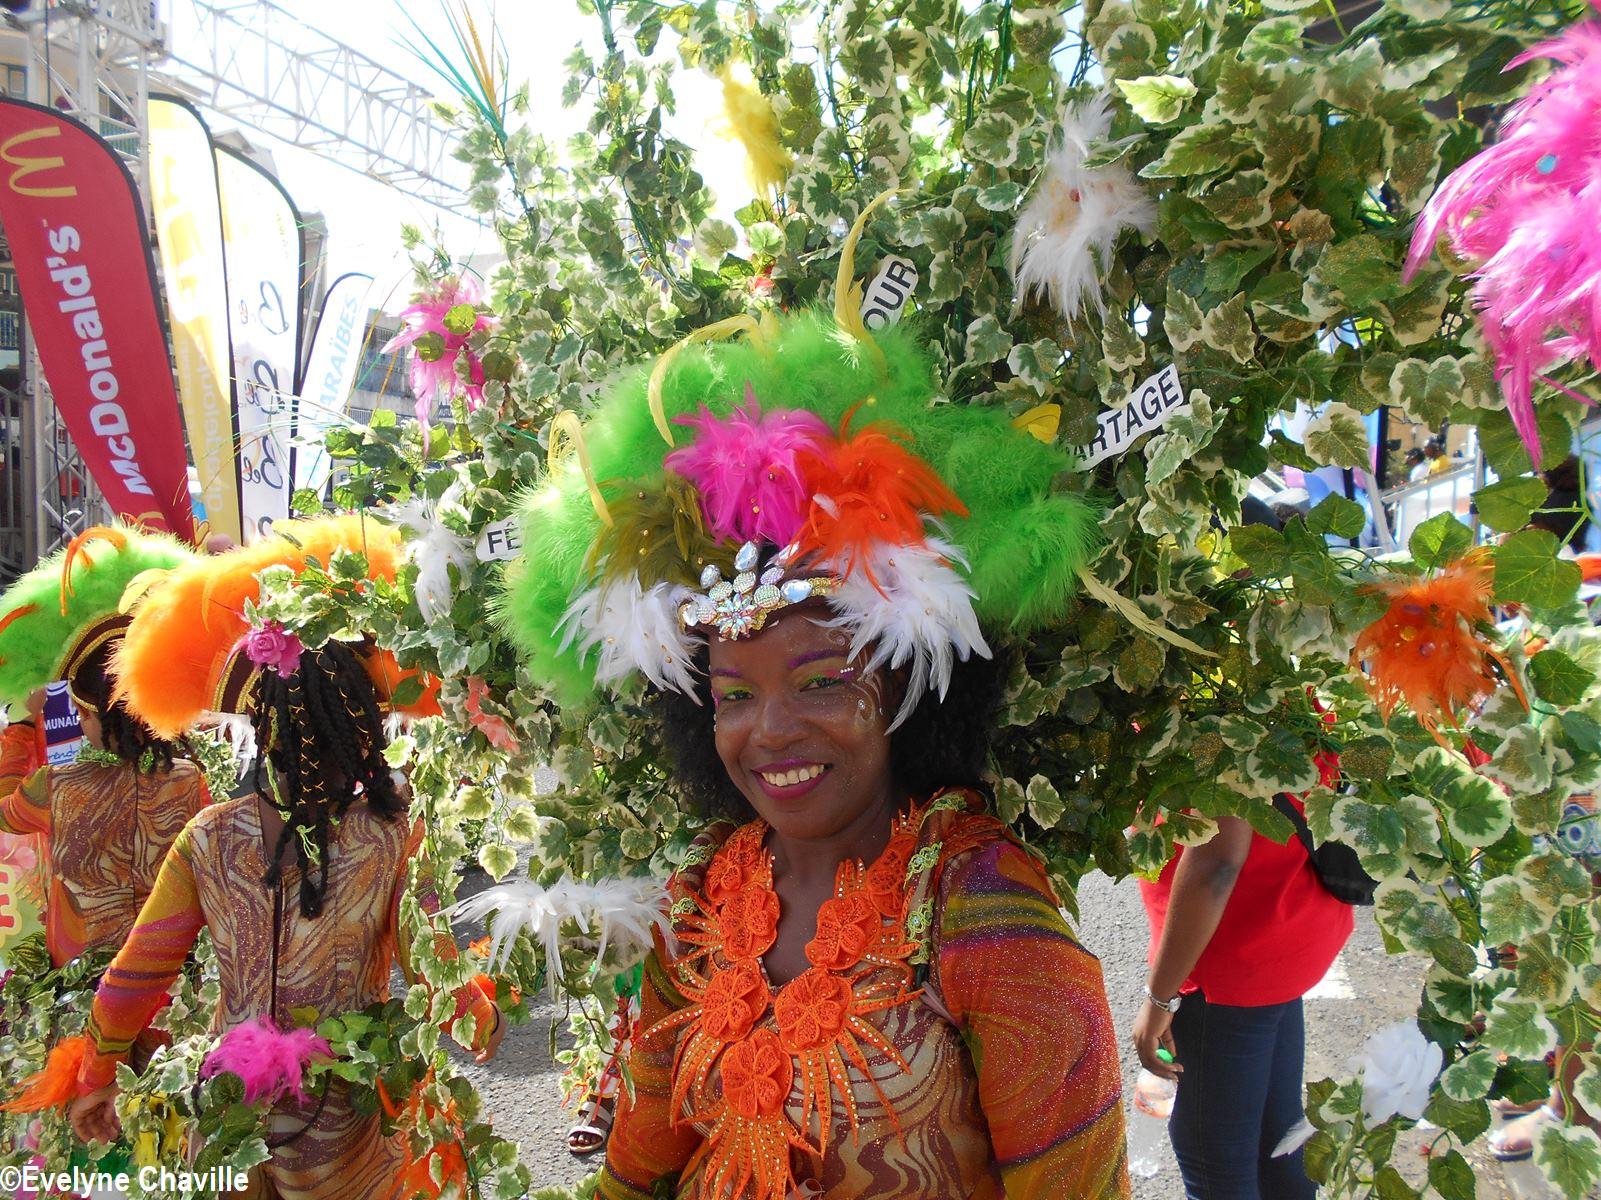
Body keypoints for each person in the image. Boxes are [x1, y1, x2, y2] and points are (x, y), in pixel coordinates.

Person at [495, 242, 1129, 1198]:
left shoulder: (983, 916)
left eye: (821, 681)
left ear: (914, 688)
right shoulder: (704, 902)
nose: (771, 731)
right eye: (735, 695)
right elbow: (637, 1168)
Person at [63, 518, 503, 1200]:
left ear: (256, 722)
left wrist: (98, 1073)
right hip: (349, 1140)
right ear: (361, 722)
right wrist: (483, 1012)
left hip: (230, 1128)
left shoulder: (208, 836)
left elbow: (134, 975)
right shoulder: (391, 836)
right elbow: (439, 982)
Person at [0, 526, 206, 975]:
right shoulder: (193, 782)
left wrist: (18, 728)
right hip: (167, 977)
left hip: (81, 977)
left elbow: (4, 811)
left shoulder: (53, 786)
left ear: (83, 710)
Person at [1132, 796, 1353, 1200]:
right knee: (1278, 1137)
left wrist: (1158, 999)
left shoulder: (1214, 731)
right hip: (1281, 930)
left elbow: (1215, 864)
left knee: (1216, 1164)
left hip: (1228, 960)